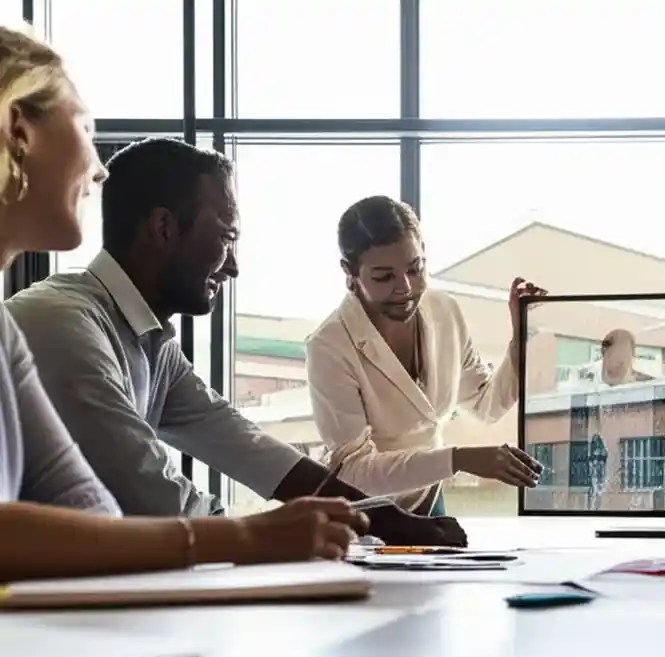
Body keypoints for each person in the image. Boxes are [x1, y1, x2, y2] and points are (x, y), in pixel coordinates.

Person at [0, 25, 367, 580]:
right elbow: (135, 498)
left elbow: (87, 506)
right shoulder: (58, 320)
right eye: (86, 127)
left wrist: (357, 515)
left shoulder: (15, 333)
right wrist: (246, 536)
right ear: (17, 131)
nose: (100, 170)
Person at [6, 138, 463, 545]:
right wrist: (268, 534)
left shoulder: (149, 338)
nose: (234, 267)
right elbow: (145, 490)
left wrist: (380, 519)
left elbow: (244, 445)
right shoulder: (64, 324)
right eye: (226, 237)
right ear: (164, 229)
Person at [305, 195, 545, 513]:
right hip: (364, 513)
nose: (405, 287)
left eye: (415, 269)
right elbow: (354, 471)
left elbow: (486, 404)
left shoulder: (445, 311)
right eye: (384, 277)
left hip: (428, 498)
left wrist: (520, 335)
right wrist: (457, 459)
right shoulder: (329, 346)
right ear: (350, 272)